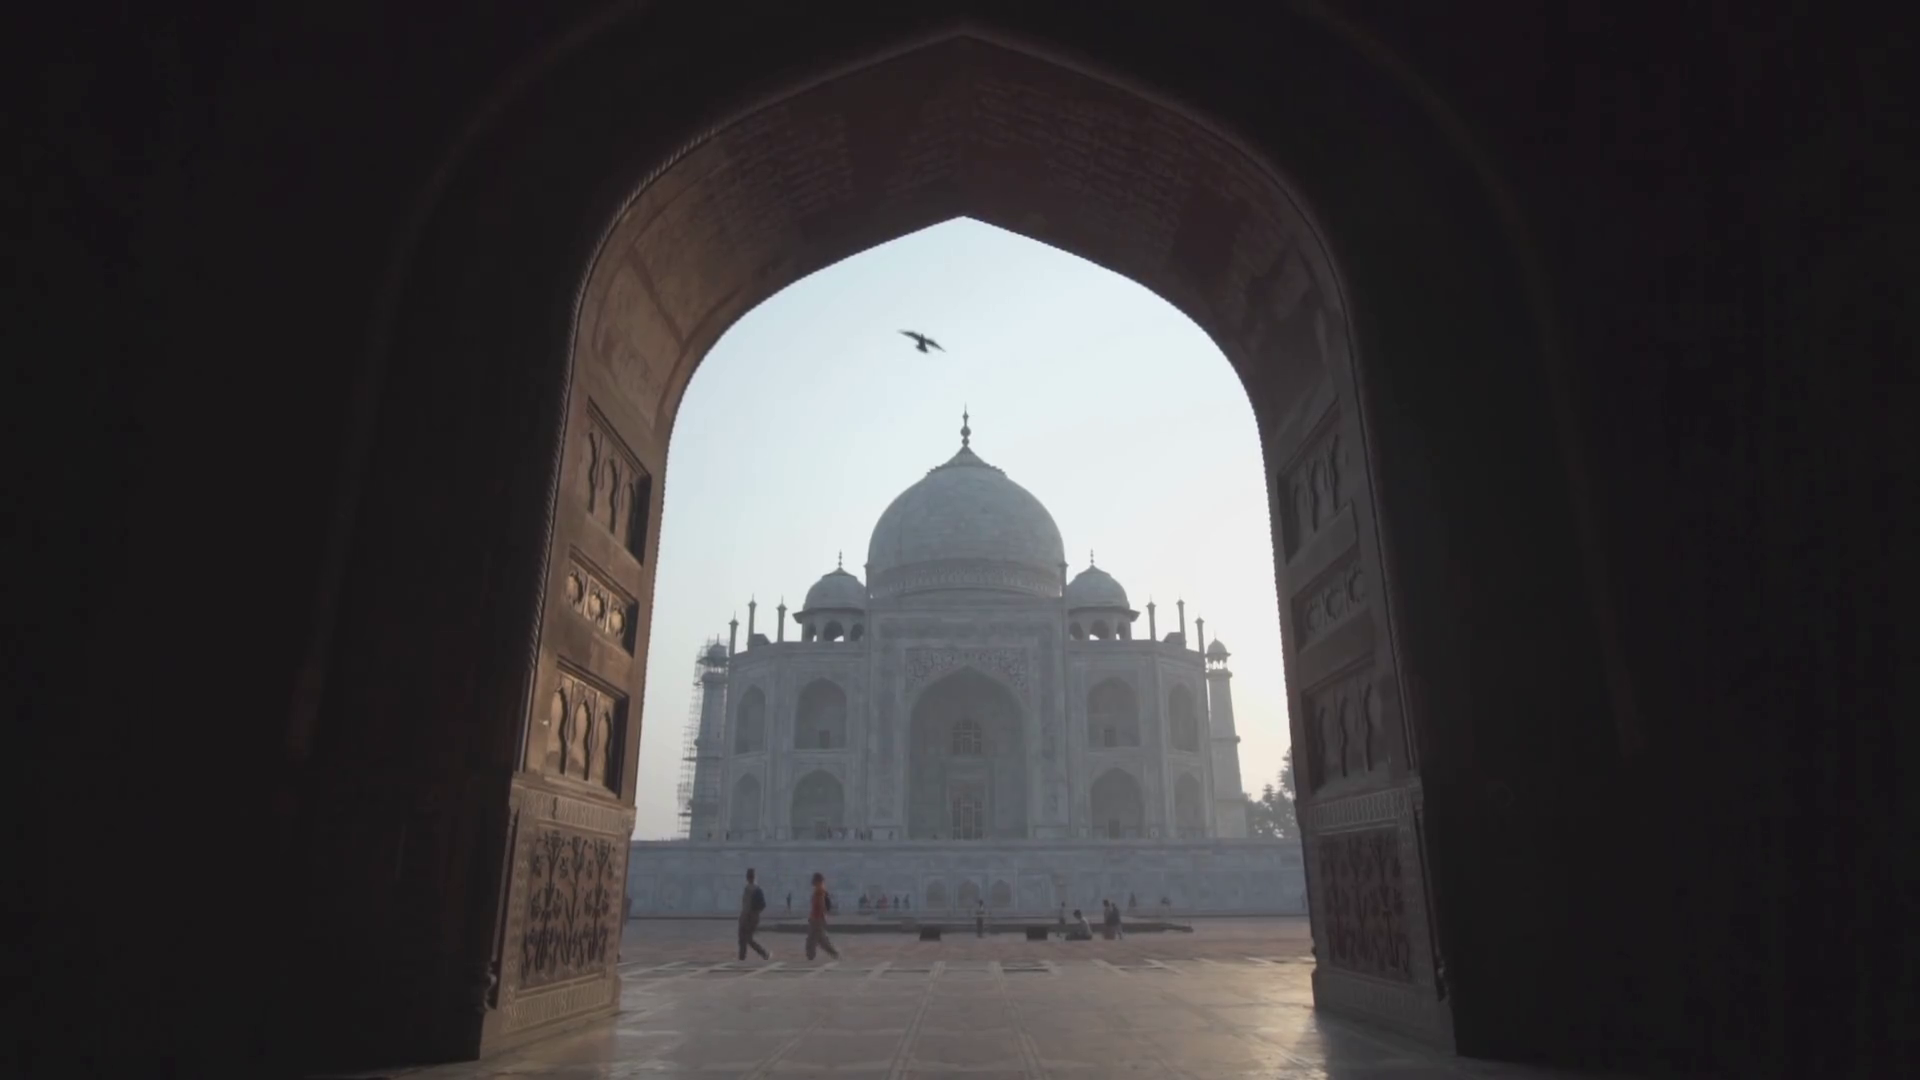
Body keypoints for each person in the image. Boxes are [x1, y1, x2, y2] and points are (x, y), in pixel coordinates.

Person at [805, 872, 840, 961]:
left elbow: (821, 905)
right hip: (816, 918)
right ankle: (835, 954)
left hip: (817, 919)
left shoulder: (819, 891)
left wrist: (822, 916)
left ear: (817, 881)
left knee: (812, 940)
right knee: (821, 940)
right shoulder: (819, 890)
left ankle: (811, 956)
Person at [737, 868, 769, 961]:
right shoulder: (752, 889)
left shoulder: (753, 890)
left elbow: (760, 905)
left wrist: (752, 913)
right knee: (745, 938)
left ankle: (763, 953)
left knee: (746, 938)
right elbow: (762, 905)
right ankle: (743, 957)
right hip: (748, 917)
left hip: (749, 917)